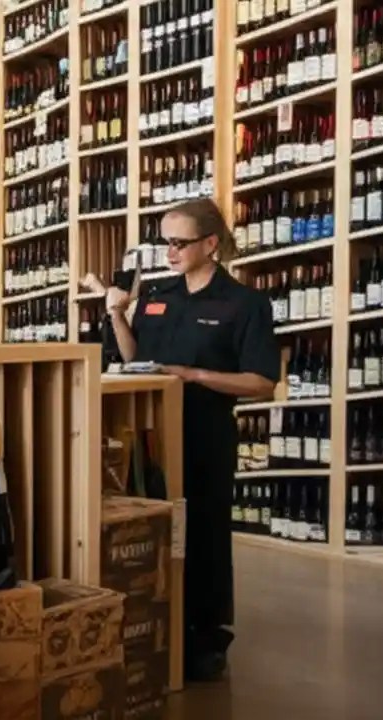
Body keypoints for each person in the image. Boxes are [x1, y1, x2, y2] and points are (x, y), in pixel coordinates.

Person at [105, 198, 279, 682]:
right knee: (155, 531)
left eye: (179, 243)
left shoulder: (245, 304)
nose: (170, 252)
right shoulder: (157, 297)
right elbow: (136, 360)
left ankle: (205, 637)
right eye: (166, 242)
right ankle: (155, 625)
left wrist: (194, 374)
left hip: (206, 435)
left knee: (203, 535)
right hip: (151, 435)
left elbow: (262, 381)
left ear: (211, 243)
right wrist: (118, 315)